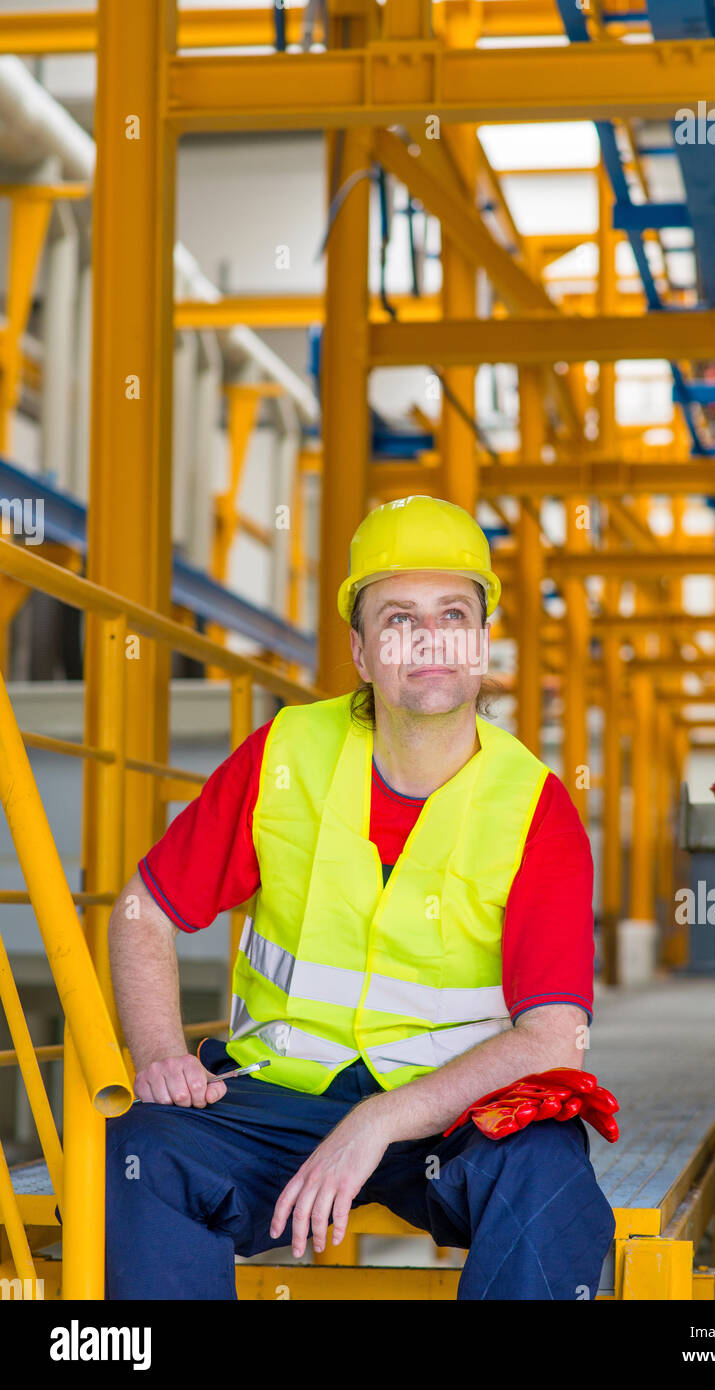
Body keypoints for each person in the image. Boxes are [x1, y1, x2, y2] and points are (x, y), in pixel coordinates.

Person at [105, 495, 615, 1300]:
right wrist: (160, 1053)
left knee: (551, 1178)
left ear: (482, 643)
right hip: (280, 1099)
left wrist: (376, 1122)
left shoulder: (533, 805)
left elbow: (552, 1041)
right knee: (142, 1153)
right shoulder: (285, 755)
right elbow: (143, 910)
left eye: (452, 612)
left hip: (452, 1114)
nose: (428, 638)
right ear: (360, 649)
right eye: (398, 617)